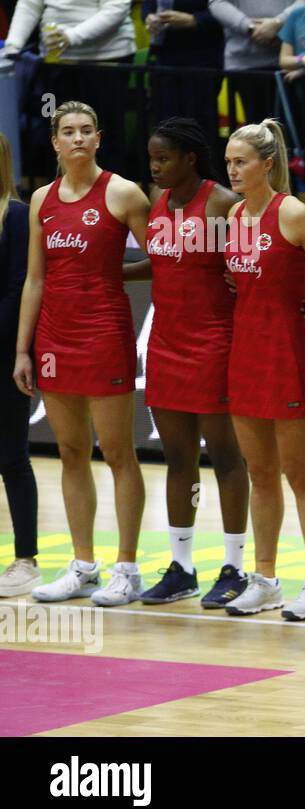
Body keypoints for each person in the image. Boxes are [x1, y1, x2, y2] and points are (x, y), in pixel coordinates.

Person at [15, 101, 151, 607]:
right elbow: (36, 277)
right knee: (72, 452)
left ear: (98, 138)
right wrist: (22, 350)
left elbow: (162, 258)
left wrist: (116, 275)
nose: (76, 138)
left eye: (85, 131)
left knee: (118, 453)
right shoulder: (41, 199)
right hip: (54, 336)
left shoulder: (123, 193)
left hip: (105, 334)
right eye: (67, 131)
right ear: (54, 142)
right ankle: (83, 566)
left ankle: (128, 569)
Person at [218, 119, 305, 620]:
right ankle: (264, 578)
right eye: (228, 162)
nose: (233, 170)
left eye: (241, 161)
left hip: (287, 354)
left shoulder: (294, 213)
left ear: (267, 163)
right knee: (260, 473)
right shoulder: (235, 214)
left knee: (300, 474)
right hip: (245, 353)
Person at [137, 118, 252, 609]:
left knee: (226, 457)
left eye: (163, 159)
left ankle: (234, 566)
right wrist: (107, 270)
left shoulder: (222, 203)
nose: (156, 168)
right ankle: (182, 567)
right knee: (177, 460)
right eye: (151, 160)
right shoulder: (159, 205)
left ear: (189, 158)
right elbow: (161, 261)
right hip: (165, 343)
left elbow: (249, 266)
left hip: (213, 344)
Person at [2, 0, 137, 178]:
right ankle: (61, 192)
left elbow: (115, 9)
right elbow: (29, 4)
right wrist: (13, 45)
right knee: (51, 124)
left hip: (106, 60)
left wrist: (71, 37)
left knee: (102, 132)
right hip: (53, 62)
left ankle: (109, 195)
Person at [0, 132, 39, 598]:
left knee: (12, 456)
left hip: (5, 354)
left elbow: (18, 288)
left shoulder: (16, 216)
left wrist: (18, 351)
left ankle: (26, 557)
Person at [210, 0, 305, 128]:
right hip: (244, 63)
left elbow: (303, 2)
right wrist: (249, 26)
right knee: (255, 132)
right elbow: (217, 3)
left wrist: (278, 22)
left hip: (288, 62)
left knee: (293, 129)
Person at [144, 0, 225, 138]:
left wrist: (194, 20)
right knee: (166, 128)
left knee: (198, 126)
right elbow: (149, 4)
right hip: (163, 60)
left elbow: (226, 11)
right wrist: (148, 16)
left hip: (202, 60)